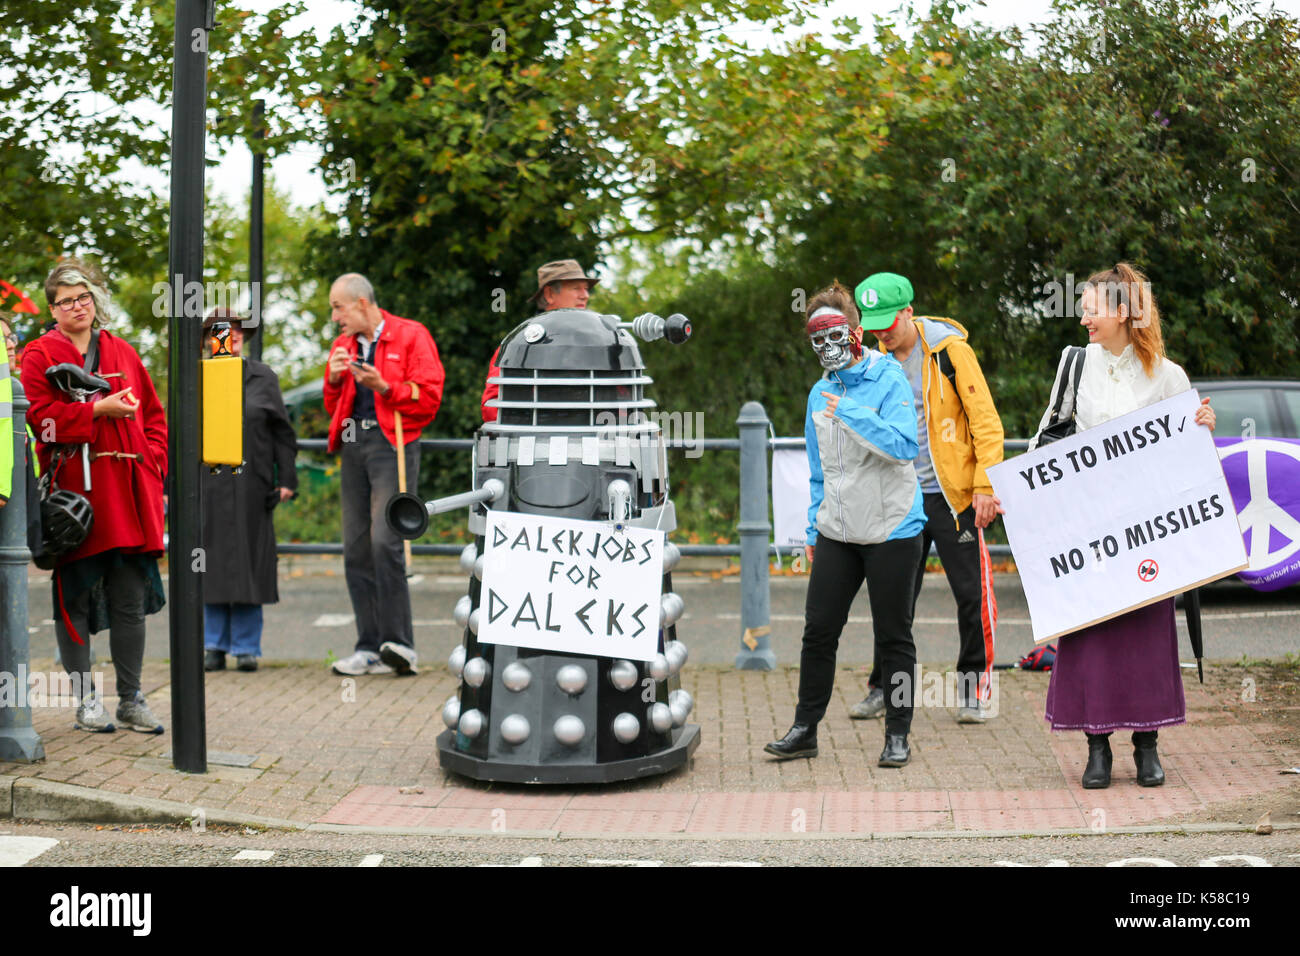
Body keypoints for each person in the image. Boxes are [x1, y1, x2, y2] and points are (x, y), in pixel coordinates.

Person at [1009, 263, 1216, 788]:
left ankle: (1147, 745)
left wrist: (1202, 430)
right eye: (1081, 309)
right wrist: (1020, 491)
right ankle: (1096, 748)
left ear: (1123, 311)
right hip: (1089, 530)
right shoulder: (1075, 364)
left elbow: (1191, 461)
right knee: (1091, 636)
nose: (1083, 319)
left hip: (1148, 535)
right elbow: (1046, 437)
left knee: (1147, 637)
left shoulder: (1169, 376)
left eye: (1091, 309)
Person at [764, 281, 927, 768]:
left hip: (892, 530)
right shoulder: (818, 392)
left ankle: (898, 734)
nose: (826, 348)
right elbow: (819, 470)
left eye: (834, 335)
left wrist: (852, 412)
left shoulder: (890, 377)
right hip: (837, 531)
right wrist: (815, 528)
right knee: (818, 631)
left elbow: (904, 447)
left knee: (893, 636)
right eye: (816, 340)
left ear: (855, 332)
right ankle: (805, 729)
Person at [22, 258, 168, 734]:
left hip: (128, 495)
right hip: (75, 500)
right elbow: (38, 420)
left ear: (94, 298)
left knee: (129, 599)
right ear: (53, 308)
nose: (77, 307)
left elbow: (155, 419)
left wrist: (152, 466)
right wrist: (94, 413)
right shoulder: (39, 354)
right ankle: (86, 702)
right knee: (76, 601)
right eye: (66, 301)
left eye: (83, 297)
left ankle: (131, 698)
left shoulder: (123, 350)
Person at [851, 272, 1005, 724]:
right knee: (892, 597)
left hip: (952, 496)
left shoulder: (950, 352)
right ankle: (883, 686)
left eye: (888, 322)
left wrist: (984, 487)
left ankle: (974, 689)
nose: (882, 332)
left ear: (909, 313)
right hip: (899, 498)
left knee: (970, 595)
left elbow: (987, 424)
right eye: (873, 322)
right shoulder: (872, 362)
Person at [323, 273, 445, 676]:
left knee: (384, 542)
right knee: (355, 548)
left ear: (361, 303)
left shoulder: (410, 335)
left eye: (338, 307)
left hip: (392, 444)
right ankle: (368, 647)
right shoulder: (343, 345)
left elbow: (429, 397)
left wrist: (386, 386)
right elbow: (331, 404)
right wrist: (336, 377)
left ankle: (400, 644)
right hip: (353, 446)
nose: (335, 316)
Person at [200, 309, 299, 673]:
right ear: (210, 338)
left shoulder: (263, 377)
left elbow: (282, 434)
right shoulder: (198, 377)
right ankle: (213, 645)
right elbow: (178, 435)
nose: (233, 334)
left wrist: (286, 479)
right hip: (206, 484)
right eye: (223, 330)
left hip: (252, 484)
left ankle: (245, 647)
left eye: (239, 329)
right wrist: (169, 489)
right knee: (209, 563)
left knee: (248, 562)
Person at [480, 259, 599, 422]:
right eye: (576, 288)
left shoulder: (598, 342)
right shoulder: (519, 345)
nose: (585, 295)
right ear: (550, 294)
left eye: (586, 289)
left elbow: (620, 396)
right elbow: (492, 408)